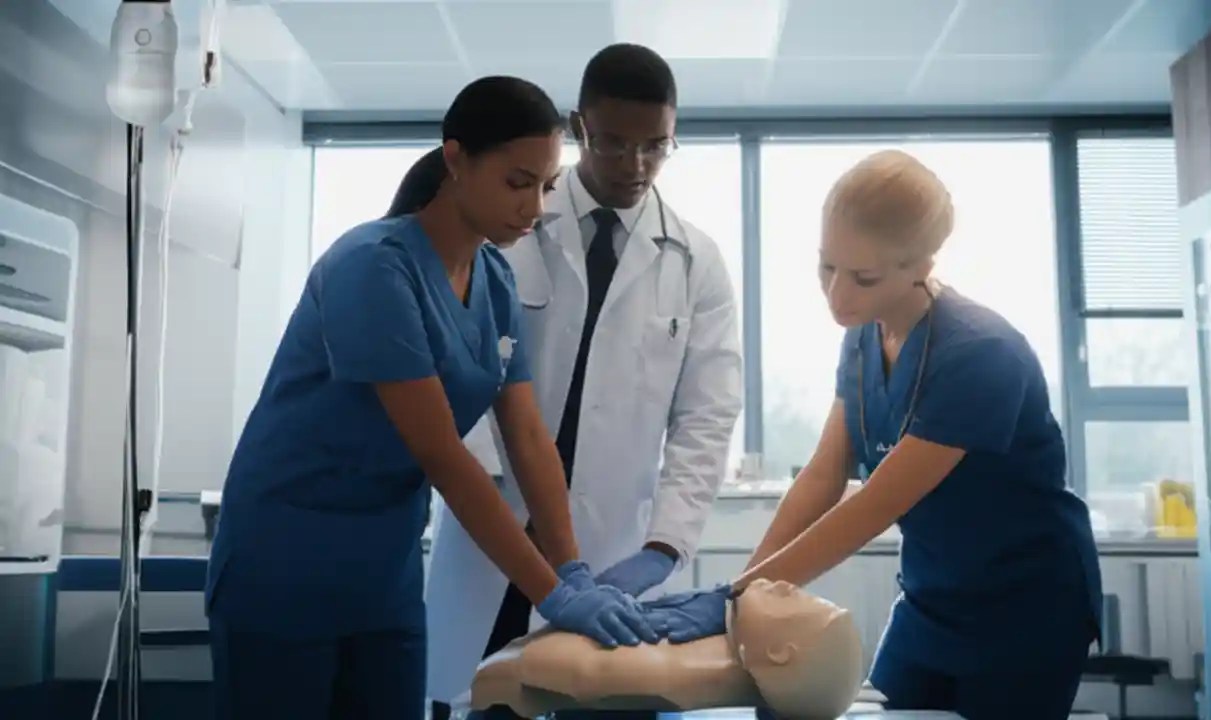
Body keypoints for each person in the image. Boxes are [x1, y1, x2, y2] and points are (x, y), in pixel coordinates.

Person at [204, 76, 659, 720]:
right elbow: (443, 455)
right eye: (517, 182)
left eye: (546, 186)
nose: (534, 207)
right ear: (456, 159)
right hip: (284, 563)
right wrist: (552, 595)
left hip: (383, 572)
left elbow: (528, 439)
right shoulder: (372, 267)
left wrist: (572, 569)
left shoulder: (494, 280)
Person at [643, 150, 1103, 720]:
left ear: (921, 264)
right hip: (932, 601)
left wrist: (733, 600)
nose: (837, 295)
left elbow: (878, 504)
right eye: (826, 268)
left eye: (863, 278)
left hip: (1027, 606)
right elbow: (823, 476)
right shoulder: (865, 337)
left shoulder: (981, 353)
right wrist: (741, 593)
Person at [404, 44, 743, 720]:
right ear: (579, 126)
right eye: (615, 143)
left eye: (656, 146)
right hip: (495, 536)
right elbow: (459, 383)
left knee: (607, 707)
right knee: (484, 702)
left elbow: (706, 417)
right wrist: (487, 490)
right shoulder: (505, 221)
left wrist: (663, 547)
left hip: (613, 554)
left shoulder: (696, 261)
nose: (636, 165)